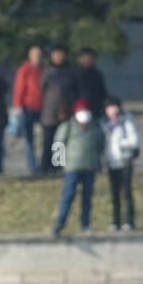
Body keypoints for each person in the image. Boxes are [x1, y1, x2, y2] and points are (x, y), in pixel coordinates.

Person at [51, 99, 103, 235]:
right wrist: (58, 165)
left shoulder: (95, 126)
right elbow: (58, 144)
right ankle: (59, 223)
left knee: (87, 197)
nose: (83, 113)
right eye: (81, 110)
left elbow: (100, 144)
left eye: (85, 110)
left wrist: (99, 162)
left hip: (90, 167)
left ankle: (85, 224)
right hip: (72, 167)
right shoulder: (68, 125)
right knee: (68, 195)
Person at [40, 44, 79, 176]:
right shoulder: (48, 71)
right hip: (49, 112)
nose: (58, 57)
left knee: (60, 141)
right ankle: (44, 167)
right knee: (47, 140)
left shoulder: (70, 71)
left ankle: (57, 167)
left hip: (65, 111)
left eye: (61, 54)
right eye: (56, 54)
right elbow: (42, 88)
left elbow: (74, 90)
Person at [103, 97, 139, 230]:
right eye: (108, 107)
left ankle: (129, 221)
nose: (111, 110)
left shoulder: (126, 122)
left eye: (113, 107)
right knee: (114, 194)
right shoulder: (105, 124)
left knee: (127, 193)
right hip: (112, 164)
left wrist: (120, 144)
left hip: (124, 162)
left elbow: (135, 141)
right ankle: (116, 221)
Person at [12, 45, 45, 174]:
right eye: (35, 54)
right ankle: (32, 167)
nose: (38, 57)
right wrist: (18, 106)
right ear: (30, 56)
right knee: (29, 139)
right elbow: (19, 88)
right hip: (28, 107)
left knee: (50, 138)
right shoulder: (24, 69)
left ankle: (53, 164)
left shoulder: (45, 69)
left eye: (40, 54)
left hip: (45, 107)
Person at [76, 48, 107, 112]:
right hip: (78, 109)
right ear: (80, 59)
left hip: (95, 109)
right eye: (85, 58)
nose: (87, 60)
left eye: (90, 58)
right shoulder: (74, 73)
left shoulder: (97, 75)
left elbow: (102, 93)